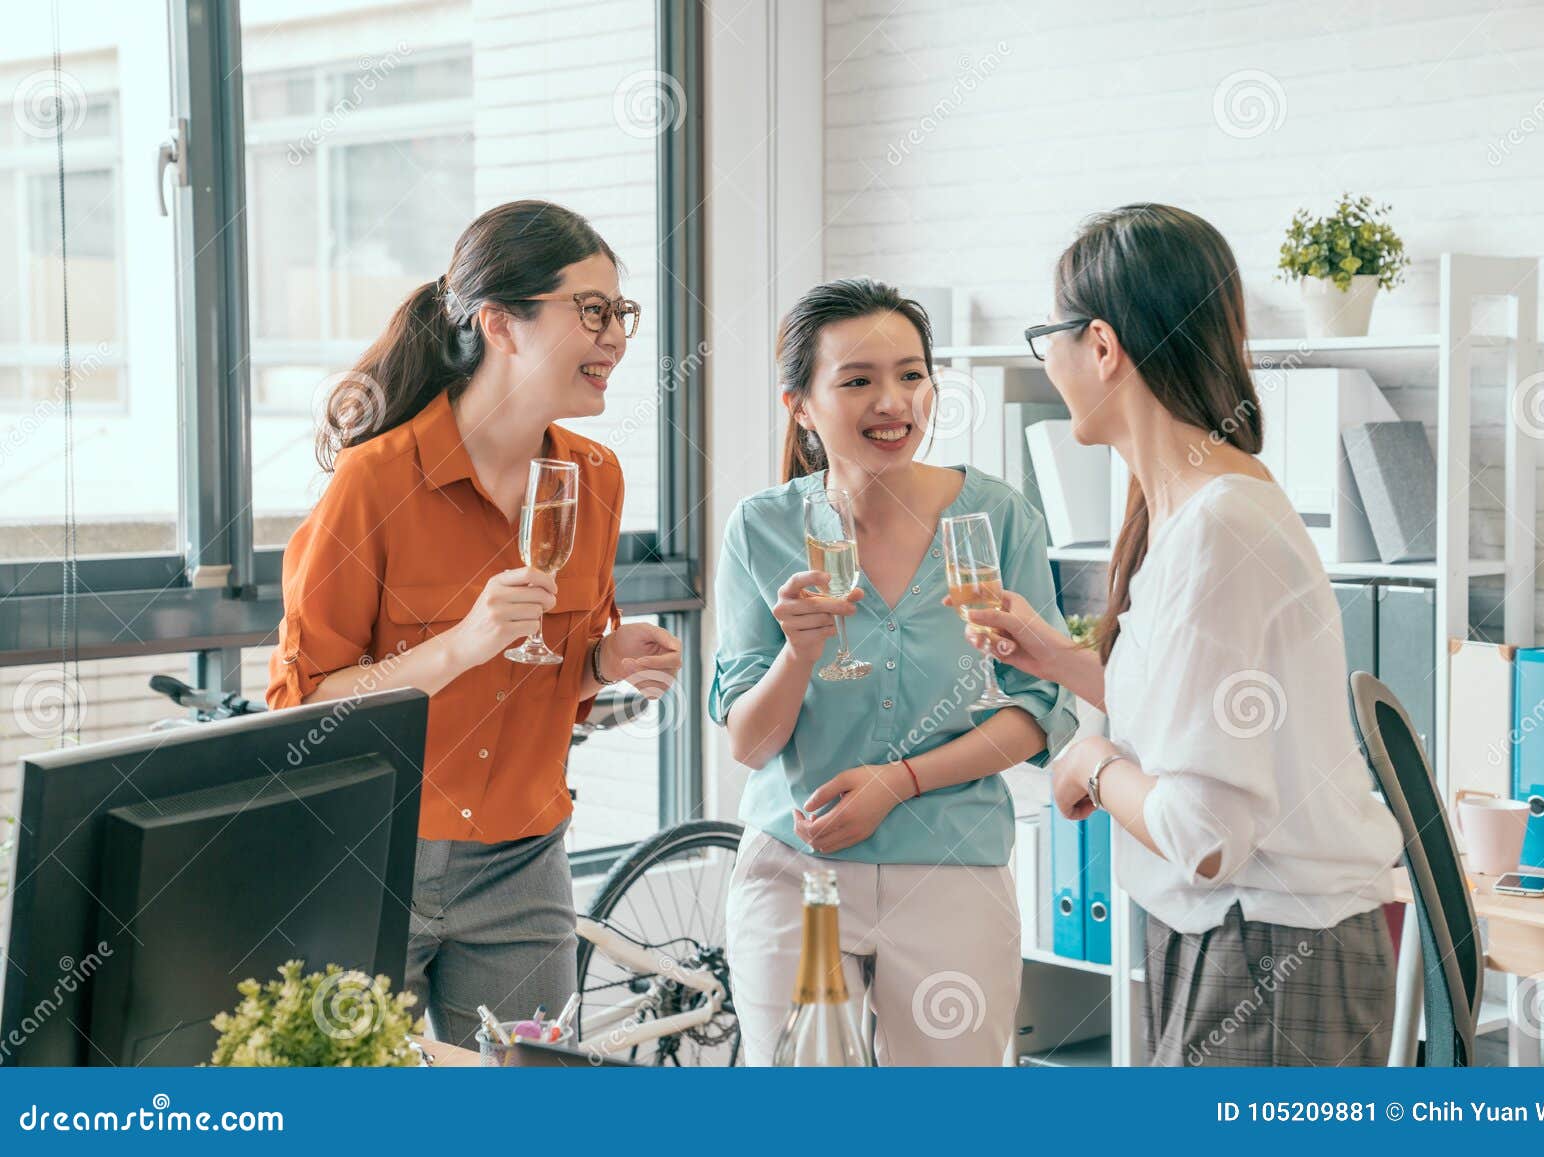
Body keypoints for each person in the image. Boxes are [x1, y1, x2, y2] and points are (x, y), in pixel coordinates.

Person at [963, 204, 1404, 1066]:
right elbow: (1194, 711)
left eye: (1047, 334)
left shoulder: (1219, 525)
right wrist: (1060, 661)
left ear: (1101, 345)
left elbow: (1206, 833)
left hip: (1270, 947)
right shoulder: (1192, 504)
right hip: (1233, 936)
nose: (1046, 360)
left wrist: (1090, 763)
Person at [265, 200, 682, 1046]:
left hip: (525, 861)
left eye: (621, 314)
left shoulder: (594, 479)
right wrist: (458, 644)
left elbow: (556, 683)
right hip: (370, 857)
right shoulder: (376, 482)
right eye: (592, 312)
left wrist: (601, 663)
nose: (616, 339)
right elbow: (306, 705)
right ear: (500, 323)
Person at [710, 277, 1078, 1065]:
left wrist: (899, 781)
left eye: (911, 375)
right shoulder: (761, 527)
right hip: (795, 871)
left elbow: (1035, 712)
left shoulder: (999, 517)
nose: (894, 401)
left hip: (952, 867)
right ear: (800, 404)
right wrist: (799, 651)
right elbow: (748, 741)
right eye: (858, 380)